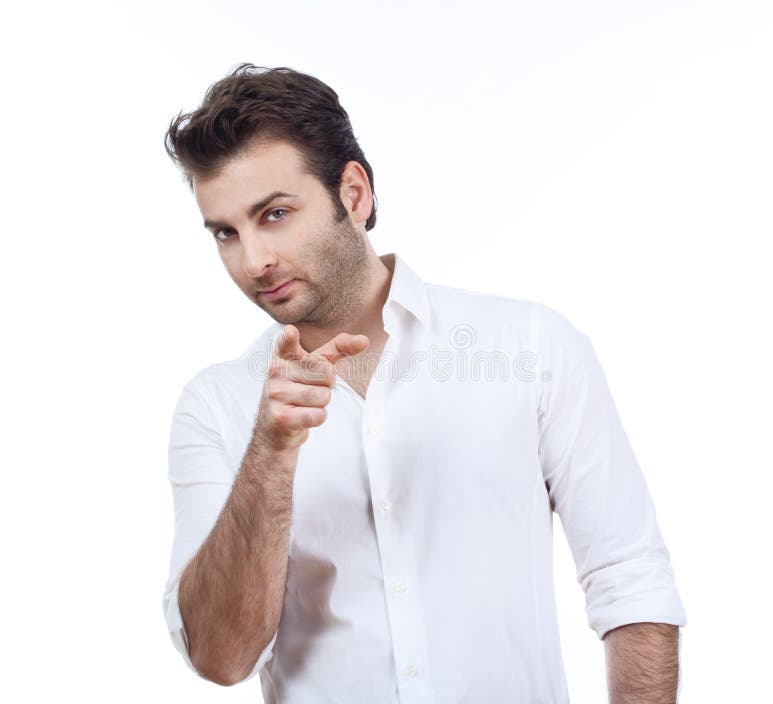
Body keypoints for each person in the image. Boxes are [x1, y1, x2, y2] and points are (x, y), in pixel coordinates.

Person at [162, 63, 687, 703]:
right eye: (226, 233)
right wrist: (268, 460)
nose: (253, 261)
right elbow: (220, 657)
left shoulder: (527, 346)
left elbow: (628, 577)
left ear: (352, 194)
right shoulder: (216, 406)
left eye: (274, 214)